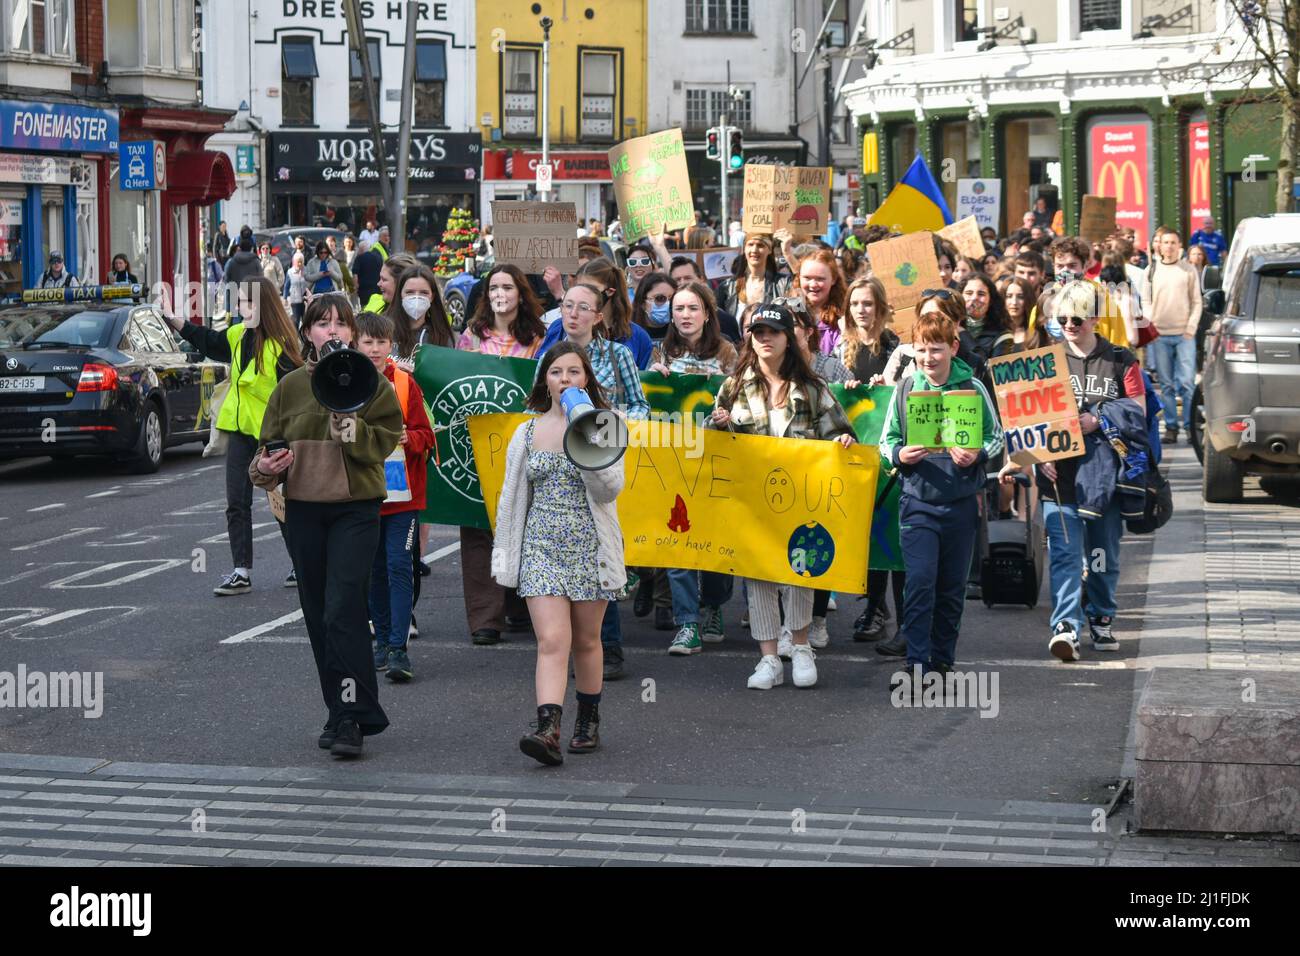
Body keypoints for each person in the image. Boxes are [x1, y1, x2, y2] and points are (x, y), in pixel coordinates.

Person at [250, 296, 403, 758]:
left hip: (356, 506)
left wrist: (348, 425)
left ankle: (355, 716)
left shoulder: (372, 383)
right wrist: (267, 465)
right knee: (318, 614)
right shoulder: (291, 387)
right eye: (322, 323)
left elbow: (385, 442)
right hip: (304, 510)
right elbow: (263, 459)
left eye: (341, 322)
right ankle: (340, 712)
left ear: (353, 332)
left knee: (343, 608)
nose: (332, 330)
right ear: (308, 333)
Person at [491, 342, 625, 766]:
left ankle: (588, 721)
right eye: (556, 372)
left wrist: (585, 430)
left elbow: (610, 488)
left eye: (573, 372)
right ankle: (547, 728)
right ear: (544, 380)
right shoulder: (526, 432)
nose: (564, 379)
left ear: (586, 379)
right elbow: (511, 498)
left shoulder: (606, 423)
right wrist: (508, 554)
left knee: (586, 641)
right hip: (541, 546)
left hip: (590, 545)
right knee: (552, 640)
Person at [709, 304, 855, 689]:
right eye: (758, 332)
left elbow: (842, 431)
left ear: (789, 338)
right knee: (757, 577)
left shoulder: (812, 388)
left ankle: (802, 645)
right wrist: (718, 424)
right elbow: (714, 443)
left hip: (801, 499)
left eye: (773, 331)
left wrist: (843, 440)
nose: (765, 338)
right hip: (752, 500)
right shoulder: (734, 385)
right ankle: (769, 658)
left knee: (801, 570)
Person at [1000, 281, 1146, 662]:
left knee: (1102, 556)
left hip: (1105, 477)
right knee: (1065, 555)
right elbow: (1022, 419)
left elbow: (1138, 412)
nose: (1068, 324)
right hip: (1057, 478)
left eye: (1076, 318)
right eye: (1061, 318)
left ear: (1095, 318)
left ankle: (1101, 615)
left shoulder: (1121, 360)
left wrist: (1096, 418)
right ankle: (1065, 625)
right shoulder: (1044, 358)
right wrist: (1036, 454)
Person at [877, 299, 1003, 682]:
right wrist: (901, 454)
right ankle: (916, 663)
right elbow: (886, 443)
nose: (928, 357)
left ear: (953, 348)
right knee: (919, 584)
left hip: (961, 503)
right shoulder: (904, 389)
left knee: (951, 588)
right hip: (917, 502)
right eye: (921, 349)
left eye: (936, 348)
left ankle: (943, 660)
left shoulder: (972, 386)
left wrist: (978, 453)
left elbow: (996, 437)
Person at [164, 277, 303, 595]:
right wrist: (176, 321)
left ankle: (300, 562)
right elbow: (208, 340)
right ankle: (241, 571)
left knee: (282, 501)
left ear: (263, 305)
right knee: (236, 504)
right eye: (239, 302)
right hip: (240, 432)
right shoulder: (238, 335)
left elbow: (295, 394)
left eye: (247, 302)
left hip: (273, 436)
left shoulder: (281, 346)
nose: (240, 308)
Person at [455, 264, 546, 646]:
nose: (500, 294)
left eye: (508, 286)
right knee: (478, 528)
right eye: (494, 287)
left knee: (521, 521)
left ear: (521, 294)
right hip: (480, 443)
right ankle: (484, 619)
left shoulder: (539, 339)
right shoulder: (470, 338)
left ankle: (518, 604)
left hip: (524, 442)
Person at [355, 311, 434, 683]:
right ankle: (383, 641)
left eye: (380, 343)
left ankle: (399, 648)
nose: (374, 349)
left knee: (400, 565)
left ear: (391, 346)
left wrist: (410, 438)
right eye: (367, 342)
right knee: (373, 569)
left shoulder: (404, 383)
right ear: (356, 342)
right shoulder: (345, 379)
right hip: (362, 493)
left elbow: (427, 435)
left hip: (403, 495)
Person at [538, 258, 654, 372]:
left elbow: (643, 384)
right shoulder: (559, 327)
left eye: (591, 289)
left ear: (610, 292)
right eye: (579, 287)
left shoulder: (638, 337)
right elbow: (536, 370)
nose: (583, 294)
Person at [1142, 226, 1201, 444]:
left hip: (1184, 335)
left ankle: (1189, 426)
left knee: (1186, 383)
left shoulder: (1188, 270)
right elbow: (1145, 301)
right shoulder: (1151, 270)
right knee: (1166, 384)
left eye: (1173, 242)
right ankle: (1172, 427)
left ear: (1179, 246)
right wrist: (1152, 326)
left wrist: (1191, 328)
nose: (1169, 246)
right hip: (1160, 336)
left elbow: (1197, 301)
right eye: (1165, 242)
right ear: (1160, 245)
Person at [388, 263, 455, 372]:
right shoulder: (384, 331)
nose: (416, 297)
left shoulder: (442, 336)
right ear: (400, 294)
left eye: (424, 293)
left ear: (432, 297)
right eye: (410, 292)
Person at [667, 256, 741, 341]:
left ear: (701, 279)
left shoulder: (724, 320)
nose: (682, 283)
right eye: (677, 280)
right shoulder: (663, 319)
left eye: (688, 278)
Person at [717, 234, 789, 315]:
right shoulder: (727, 287)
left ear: (770, 250)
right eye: (750, 244)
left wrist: (787, 253)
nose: (754, 250)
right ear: (744, 248)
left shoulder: (783, 284)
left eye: (760, 245)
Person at [795, 248, 848, 357]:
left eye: (820, 279)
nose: (813, 284)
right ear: (799, 278)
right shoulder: (788, 313)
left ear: (833, 279)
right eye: (807, 278)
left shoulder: (845, 315)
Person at [961, 272, 1016, 361]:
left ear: (990, 301)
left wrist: (963, 335)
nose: (974, 298)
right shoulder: (951, 329)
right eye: (969, 293)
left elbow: (992, 371)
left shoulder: (1003, 336)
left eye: (981, 294)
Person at [630, 270, 677, 346]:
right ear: (643, 303)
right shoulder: (629, 335)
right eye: (660, 298)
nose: (668, 304)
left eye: (673, 298)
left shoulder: (683, 332)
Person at [1003, 277, 1035, 349]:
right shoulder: (994, 331)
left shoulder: (1037, 332)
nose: (1014, 302)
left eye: (1020, 297)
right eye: (1009, 296)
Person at [352, 240, 384, 308]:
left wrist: (356, 288)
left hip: (364, 291)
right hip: (377, 289)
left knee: (365, 309)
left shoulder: (359, 258)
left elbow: (355, 274)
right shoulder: (379, 257)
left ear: (361, 249)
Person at [327, 235, 356, 300]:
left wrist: (351, 290)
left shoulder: (340, 255)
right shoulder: (321, 258)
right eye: (328, 242)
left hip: (339, 289)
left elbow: (347, 277)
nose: (330, 244)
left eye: (331, 242)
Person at [283, 253, 308, 322]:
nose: (300, 264)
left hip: (305, 300)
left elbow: (310, 283)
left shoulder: (306, 270)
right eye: (298, 262)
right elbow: (286, 286)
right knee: (296, 320)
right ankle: (296, 333)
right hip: (295, 300)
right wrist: (285, 298)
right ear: (294, 262)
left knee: (305, 319)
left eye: (301, 262)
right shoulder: (290, 272)